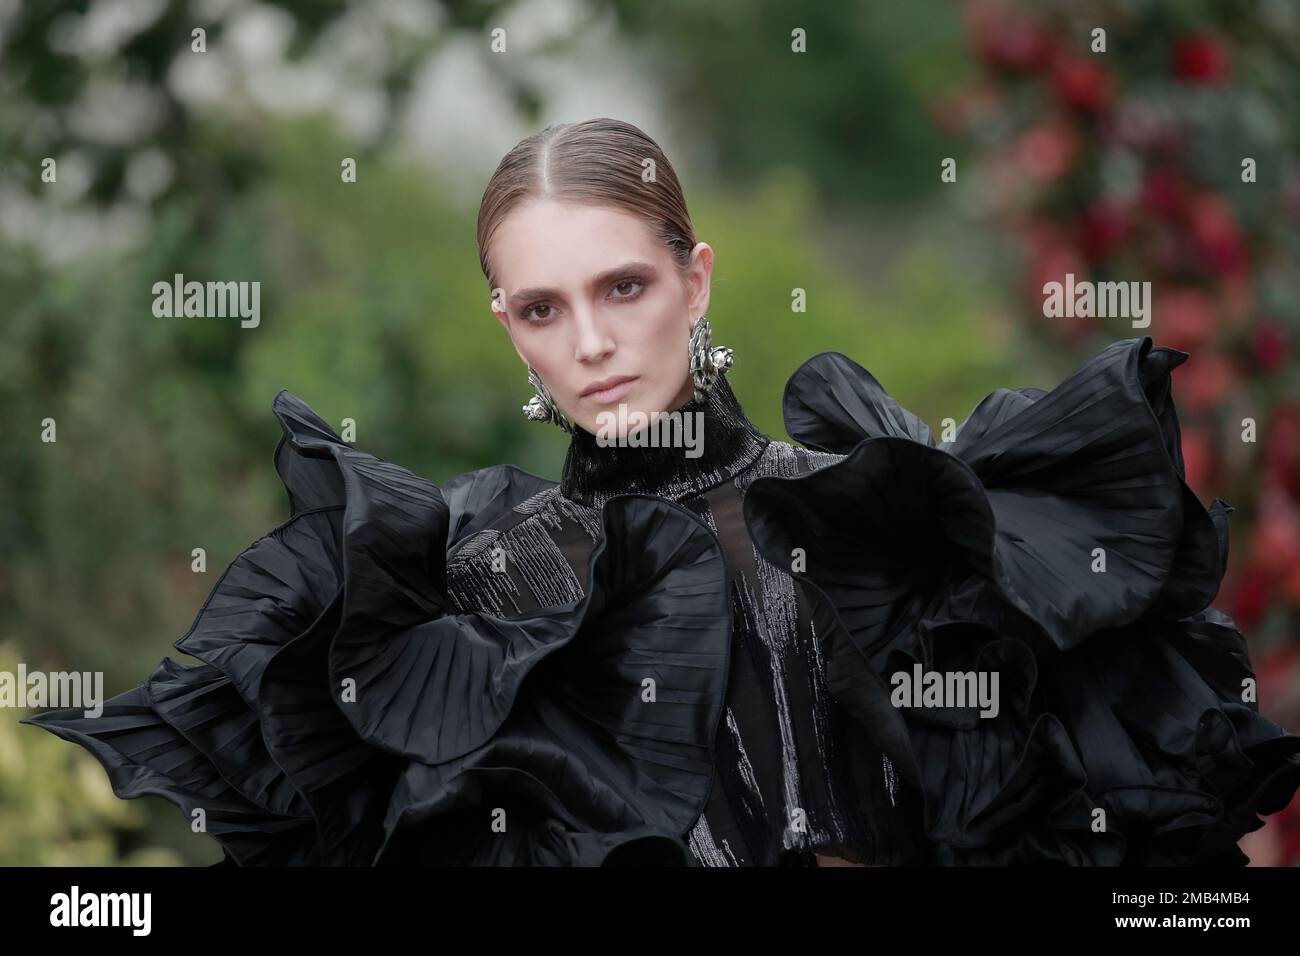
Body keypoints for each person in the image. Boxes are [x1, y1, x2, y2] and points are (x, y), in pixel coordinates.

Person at [22, 118, 1300, 867]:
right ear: (507, 329)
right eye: (543, 305)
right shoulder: (476, 593)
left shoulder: (889, 520)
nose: (589, 338)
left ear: (695, 279)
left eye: (621, 286)